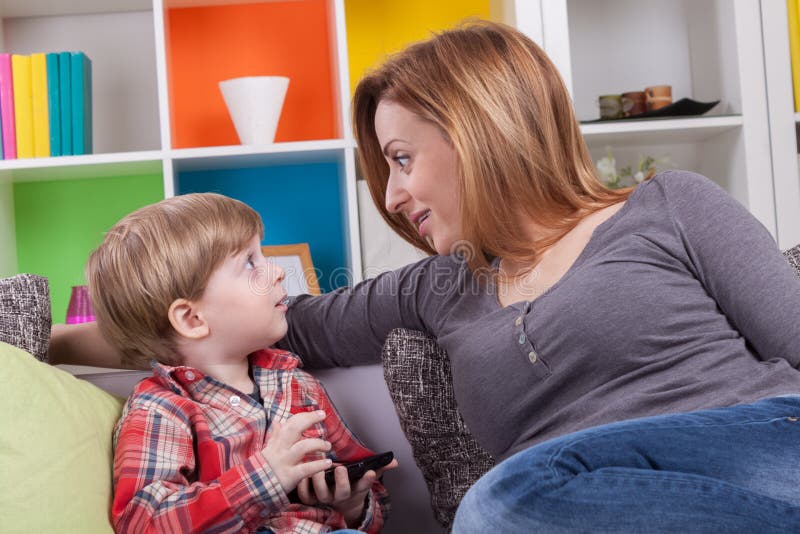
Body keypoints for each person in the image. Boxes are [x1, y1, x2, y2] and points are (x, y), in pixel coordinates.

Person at [51, 21, 800, 532]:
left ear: (482, 130)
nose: (391, 195)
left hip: (759, 445)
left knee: (498, 505)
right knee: (509, 504)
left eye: (402, 159)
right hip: (577, 506)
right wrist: (58, 342)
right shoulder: (440, 286)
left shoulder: (668, 206)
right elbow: (229, 324)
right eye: (385, 169)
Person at [85, 193, 395, 533]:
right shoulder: (160, 409)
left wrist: (352, 504)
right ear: (191, 318)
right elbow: (144, 524)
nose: (276, 271)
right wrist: (265, 477)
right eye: (250, 263)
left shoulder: (299, 386)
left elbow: (368, 490)